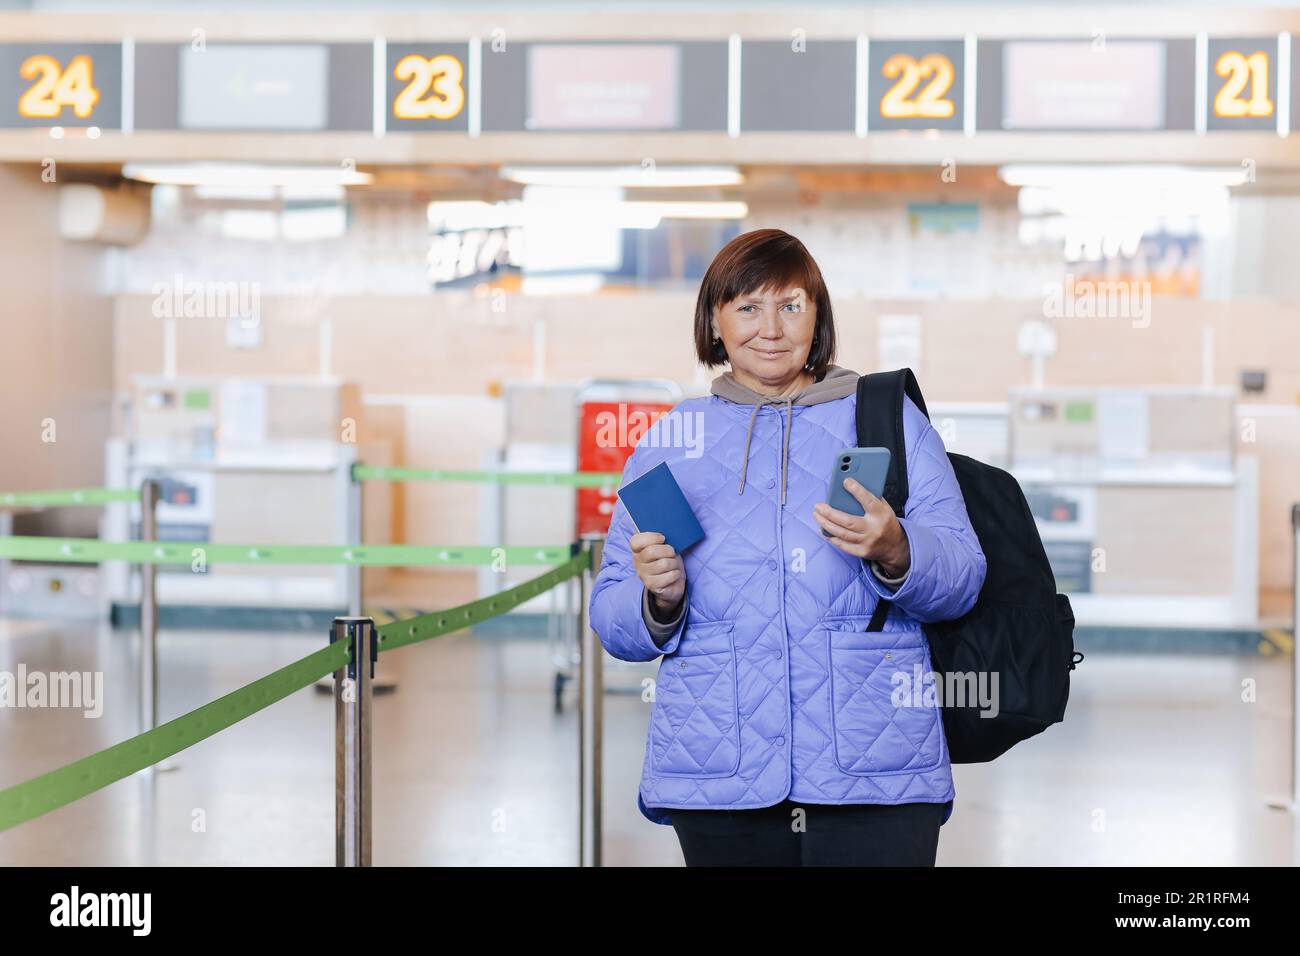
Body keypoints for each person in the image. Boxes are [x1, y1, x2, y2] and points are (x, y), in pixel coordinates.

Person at [588, 228, 986, 866]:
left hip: (873, 761)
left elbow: (964, 575)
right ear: (714, 322)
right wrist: (658, 601)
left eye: (791, 305)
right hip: (720, 761)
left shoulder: (885, 419)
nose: (770, 328)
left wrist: (897, 548)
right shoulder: (672, 439)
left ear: (818, 317)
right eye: (747, 307)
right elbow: (612, 615)